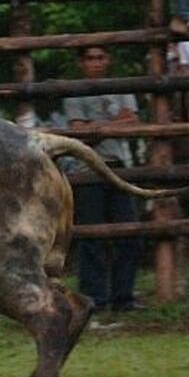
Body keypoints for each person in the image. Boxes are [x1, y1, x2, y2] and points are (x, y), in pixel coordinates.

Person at [62, 46, 143, 312]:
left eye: (100, 57)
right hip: (88, 168)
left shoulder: (122, 88)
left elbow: (134, 123)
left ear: (108, 60)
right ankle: (94, 298)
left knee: (130, 233)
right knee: (92, 237)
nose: (95, 63)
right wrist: (115, 124)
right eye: (90, 58)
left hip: (119, 166)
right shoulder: (75, 92)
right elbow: (79, 134)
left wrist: (96, 128)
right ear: (81, 62)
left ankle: (123, 297)